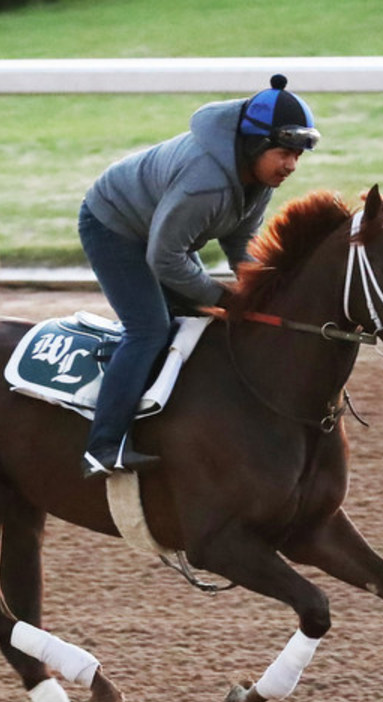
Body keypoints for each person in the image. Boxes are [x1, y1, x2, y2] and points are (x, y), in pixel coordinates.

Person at [78, 73, 321, 479]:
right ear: (256, 144)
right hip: (114, 228)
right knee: (150, 327)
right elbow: (164, 258)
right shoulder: (204, 186)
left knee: (199, 318)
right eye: (284, 152)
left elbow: (241, 242)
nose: (291, 165)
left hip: (158, 233)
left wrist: (264, 289)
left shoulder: (258, 178)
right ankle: (102, 445)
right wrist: (225, 297)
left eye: (298, 155)